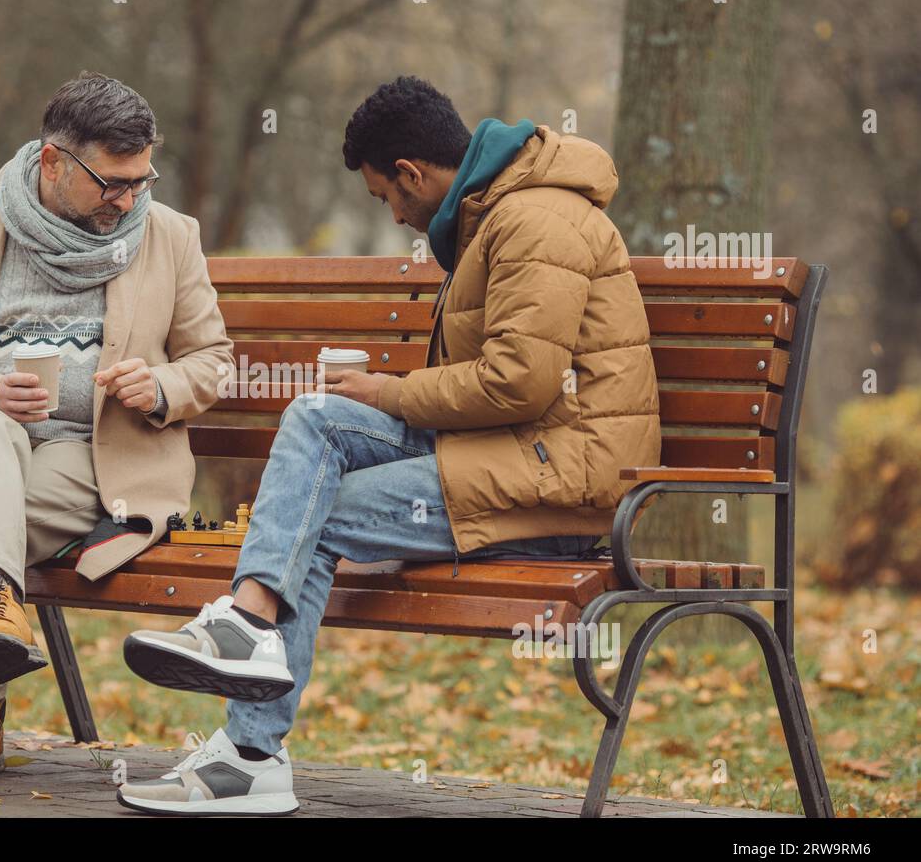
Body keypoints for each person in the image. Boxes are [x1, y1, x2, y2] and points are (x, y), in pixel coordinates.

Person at [116, 75, 660, 816]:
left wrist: (390, 391)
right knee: (315, 416)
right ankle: (246, 627)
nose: (397, 215)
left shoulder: (536, 221)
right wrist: (378, 395)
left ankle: (251, 753)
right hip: (513, 455)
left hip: (564, 485)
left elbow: (520, 385)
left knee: (319, 514)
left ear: (410, 172)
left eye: (386, 198)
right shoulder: (492, 214)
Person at [0, 71, 233, 780]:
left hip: (103, 456)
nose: (129, 198)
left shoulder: (170, 236)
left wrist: (160, 384)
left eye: (141, 180)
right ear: (53, 161)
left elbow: (214, 364)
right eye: (112, 182)